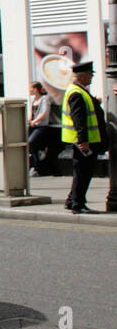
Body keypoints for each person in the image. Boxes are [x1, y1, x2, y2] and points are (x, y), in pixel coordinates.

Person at [62, 61, 105, 214]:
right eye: (90, 75)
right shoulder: (76, 93)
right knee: (83, 173)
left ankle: (71, 200)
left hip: (84, 140)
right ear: (82, 76)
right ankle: (77, 204)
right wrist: (83, 141)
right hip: (84, 142)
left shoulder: (79, 90)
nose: (91, 78)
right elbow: (79, 120)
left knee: (81, 172)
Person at [27, 81, 61, 177]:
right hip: (33, 126)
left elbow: (45, 112)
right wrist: (29, 120)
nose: (29, 90)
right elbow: (31, 112)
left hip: (41, 126)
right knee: (31, 146)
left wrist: (35, 121)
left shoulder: (45, 99)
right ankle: (35, 166)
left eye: (30, 88)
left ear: (35, 89)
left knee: (31, 142)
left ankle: (38, 162)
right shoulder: (33, 99)